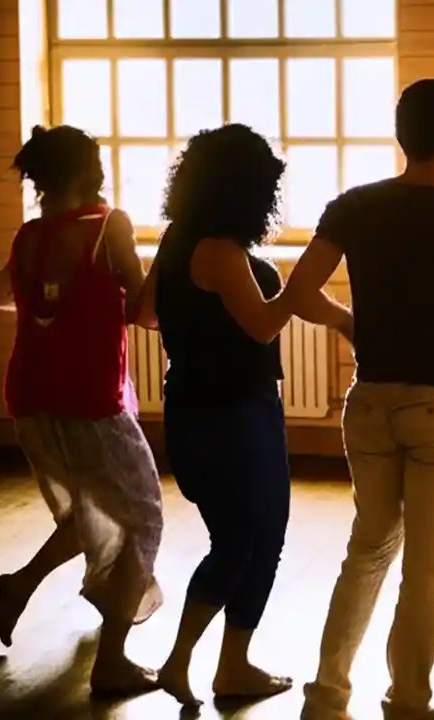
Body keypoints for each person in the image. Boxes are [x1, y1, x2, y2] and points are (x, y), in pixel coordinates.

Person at [290, 79, 434, 720]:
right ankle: (408, 701)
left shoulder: (352, 207)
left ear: (401, 138)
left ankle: (327, 695)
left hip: (369, 403)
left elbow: (299, 292)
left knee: (367, 549)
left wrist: (349, 323)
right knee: (427, 566)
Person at [147, 124, 319, 708]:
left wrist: (195, 320)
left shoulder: (178, 240)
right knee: (248, 543)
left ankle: (231, 667)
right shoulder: (220, 250)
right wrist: (299, 284)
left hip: (190, 406)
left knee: (244, 539)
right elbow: (264, 325)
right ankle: (186, 662)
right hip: (237, 415)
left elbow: (143, 312)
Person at [0, 125, 164, 695]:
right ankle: (111, 661)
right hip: (88, 398)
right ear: (90, 170)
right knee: (143, 518)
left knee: (89, 509)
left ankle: (20, 584)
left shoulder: (29, 234)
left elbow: (0, 295)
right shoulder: (108, 225)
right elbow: (143, 313)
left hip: (30, 396)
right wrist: (163, 259)